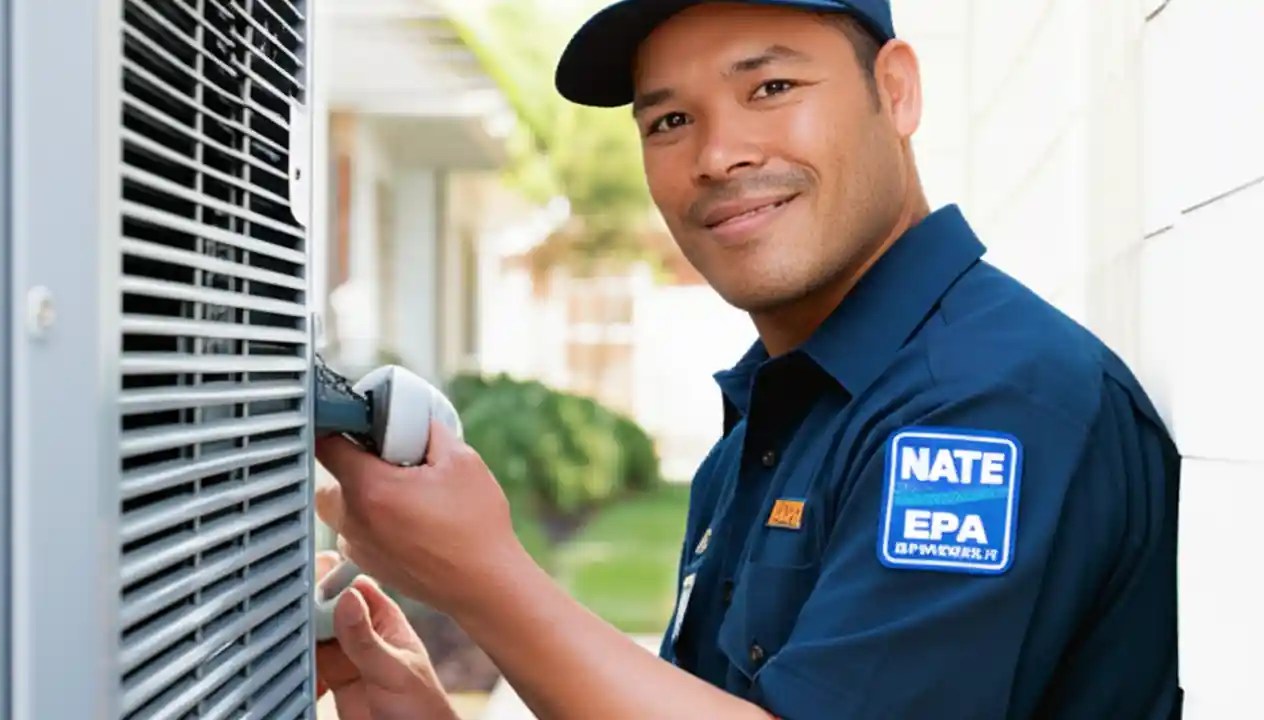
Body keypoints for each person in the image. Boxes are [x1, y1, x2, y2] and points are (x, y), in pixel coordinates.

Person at [313, 1, 1184, 718]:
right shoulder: (779, 418)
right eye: (671, 120)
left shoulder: (994, 401)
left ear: (898, 91)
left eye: (771, 86)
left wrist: (481, 578)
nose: (718, 155)